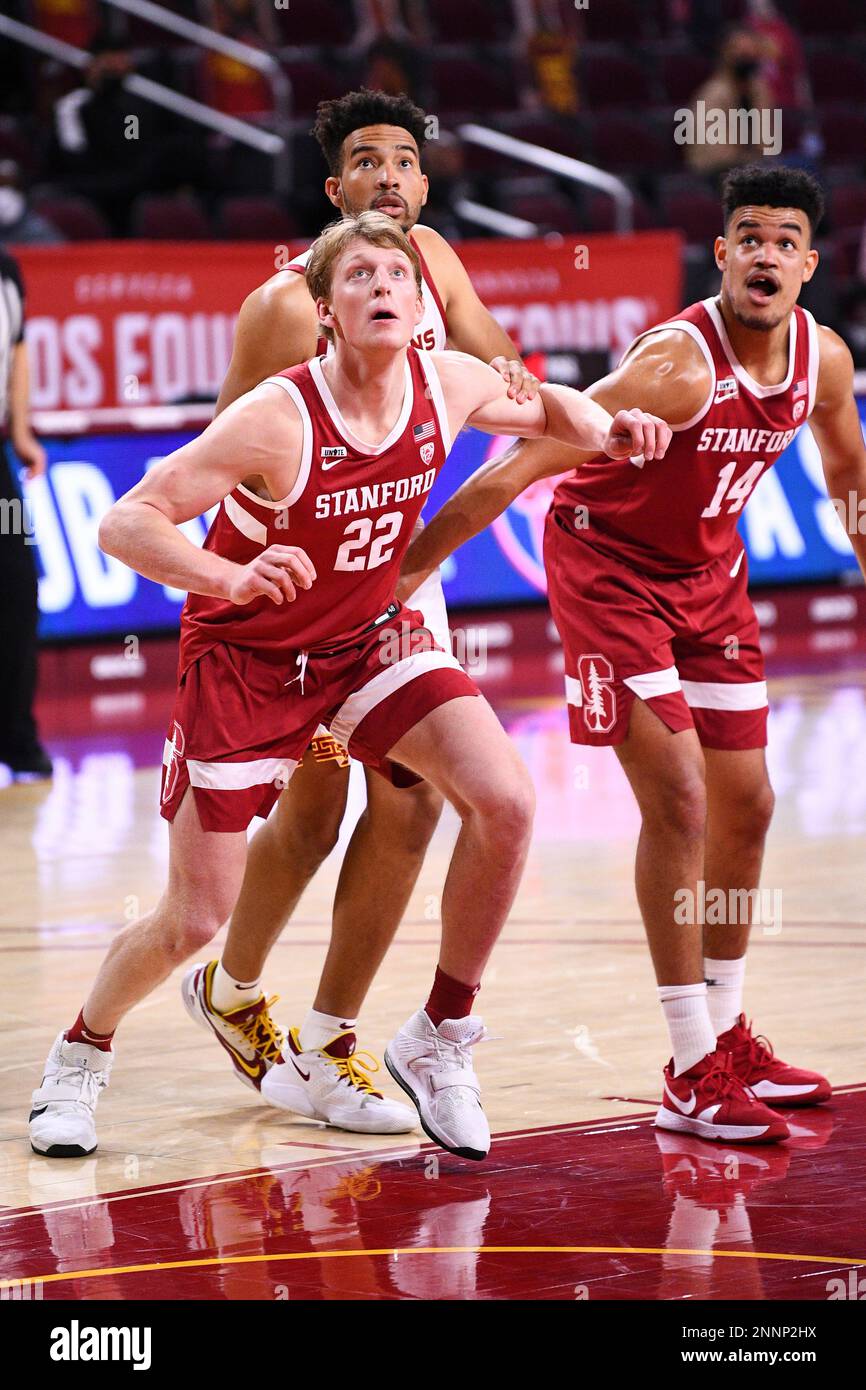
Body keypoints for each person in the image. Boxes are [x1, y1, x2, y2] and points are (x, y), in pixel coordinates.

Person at [28, 211, 669, 1163]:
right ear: (324, 308)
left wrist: (615, 426)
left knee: (506, 800)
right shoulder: (277, 417)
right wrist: (229, 578)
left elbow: (552, 408)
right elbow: (127, 524)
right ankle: (78, 1058)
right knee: (194, 917)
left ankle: (440, 1038)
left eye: (396, 274)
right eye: (359, 274)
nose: (381, 284)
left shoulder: (448, 380)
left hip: (367, 641)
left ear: (420, 306)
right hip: (246, 660)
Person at [398, 166, 865, 1144]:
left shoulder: (820, 361)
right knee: (679, 800)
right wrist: (400, 573)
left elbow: (850, 478)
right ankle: (689, 1066)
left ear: (809, 266)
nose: (765, 253)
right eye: (748, 236)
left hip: (706, 575)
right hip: (605, 568)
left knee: (749, 804)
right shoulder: (675, 367)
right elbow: (521, 458)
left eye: (785, 240)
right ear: (721, 255)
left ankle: (729, 1034)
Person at [188, 88, 540, 1136]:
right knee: (316, 806)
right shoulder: (288, 305)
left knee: (413, 797)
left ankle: (323, 1030)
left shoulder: (432, 259)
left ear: (424, 186)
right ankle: (237, 989)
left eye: (404, 160)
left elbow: (498, 362)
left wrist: (530, 401)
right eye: (365, 162)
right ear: (332, 188)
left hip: (392, 577)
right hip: (300, 590)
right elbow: (229, 458)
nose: (388, 175)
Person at [0, 245, 52, 778]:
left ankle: (16, 738)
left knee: (16, 587)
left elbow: (17, 350)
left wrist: (20, 432)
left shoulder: (7, 269)